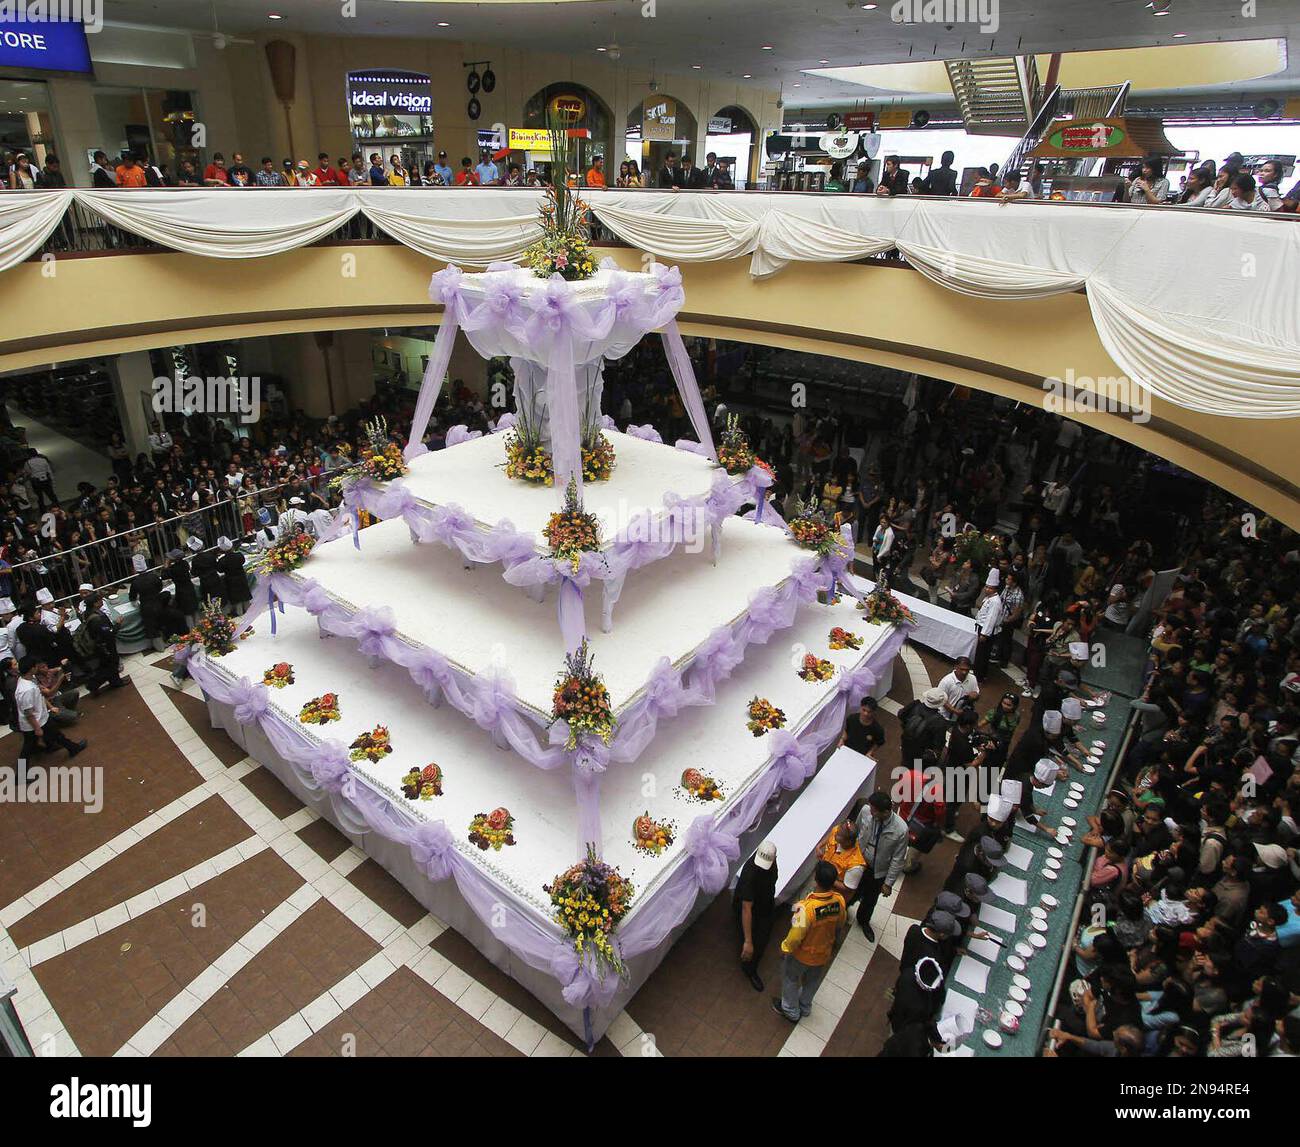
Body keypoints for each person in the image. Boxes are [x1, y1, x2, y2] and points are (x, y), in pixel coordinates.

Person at [772, 859, 844, 1023]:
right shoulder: (839, 901)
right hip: (822, 954)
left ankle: (790, 1010)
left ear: (816, 880)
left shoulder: (806, 909)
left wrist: (784, 948)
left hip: (801, 956)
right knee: (812, 981)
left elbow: (795, 936)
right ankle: (805, 1006)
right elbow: (839, 923)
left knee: (790, 978)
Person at [15, 656, 86, 781]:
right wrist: (37, 728)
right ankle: (73, 748)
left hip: (37, 720)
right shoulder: (26, 690)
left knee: (49, 738)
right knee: (33, 746)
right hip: (36, 722)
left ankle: (72, 748)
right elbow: (28, 712)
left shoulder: (26, 681)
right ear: (32, 668)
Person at [855, 791, 909, 942]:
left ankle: (863, 921)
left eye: (874, 810)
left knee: (870, 899)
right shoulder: (866, 811)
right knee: (851, 890)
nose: (871, 812)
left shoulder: (901, 829)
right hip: (859, 862)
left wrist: (888, 883)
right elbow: (857, 829)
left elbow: (898, 858)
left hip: (878, 871)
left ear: (885, 812)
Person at [734, 840, 778, 991]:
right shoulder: (750, 874)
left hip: (765, 903)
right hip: (753, 907)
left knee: (765, 931)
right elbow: (746, 908)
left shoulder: (772, 864)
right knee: (756, 939)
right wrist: (748, 941)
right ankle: (749, 968)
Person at [217, 536, 250, 615]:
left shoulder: (222, 560)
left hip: (231, 581)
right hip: (241, 579)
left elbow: (220, 570)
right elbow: (243, 561)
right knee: (246, 599)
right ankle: (251, 614)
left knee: (237, 601)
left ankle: (240, 616)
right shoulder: (239, 555)